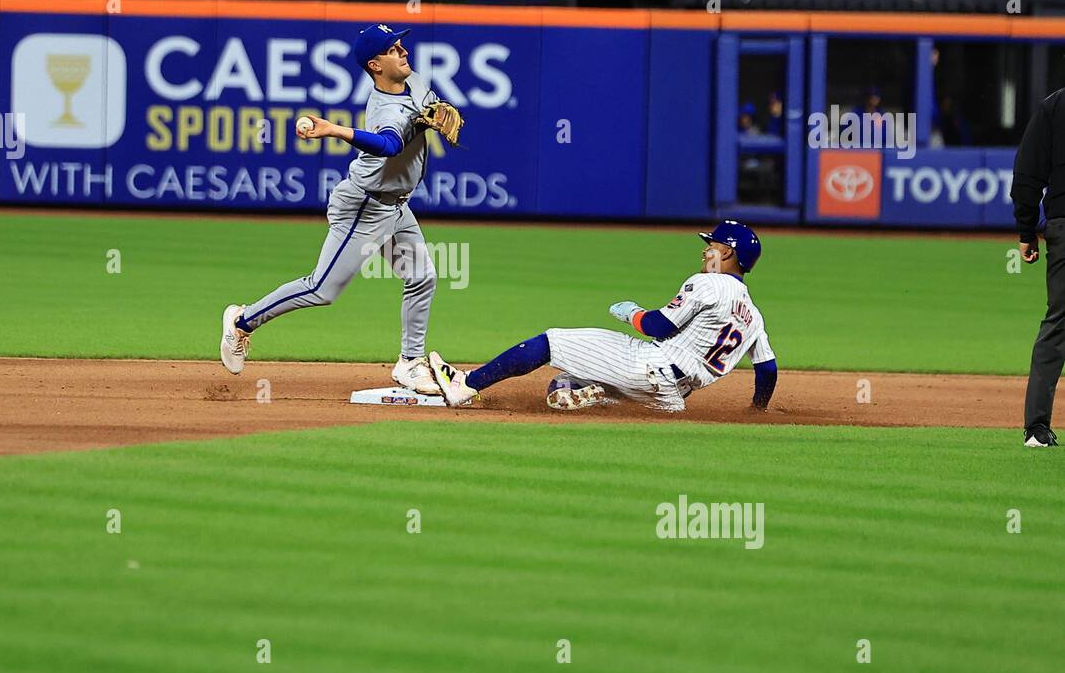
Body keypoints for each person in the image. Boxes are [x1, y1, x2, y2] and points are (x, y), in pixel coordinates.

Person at [219, 23, 450, 394]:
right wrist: (333, 129)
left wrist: (439, 114)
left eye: (402, 45)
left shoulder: (417, 83)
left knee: (422, 277)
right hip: (364, 206)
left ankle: (410, 363)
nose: (404, 52)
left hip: (396, 206)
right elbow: (389, 145)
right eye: (394, 49)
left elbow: (433, 108)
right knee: (322, 289)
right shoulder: (385, 109)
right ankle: (243, 321)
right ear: (376, 65)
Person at [427, 221, 778, 413]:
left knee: (549, 342)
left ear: (728, 252)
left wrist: (632, 313)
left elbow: (658, 326)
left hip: (648, 366)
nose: (706, 250)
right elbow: (767, 369)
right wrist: (757, 409)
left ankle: (464, 386)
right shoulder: (754, 317)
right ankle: (599, 396)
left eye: (713, 245)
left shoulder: (707, 283)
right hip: (672, 399)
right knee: (565, 380)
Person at [1012, 86, 1065, 447]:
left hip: (1063, 223)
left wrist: (1026, 230)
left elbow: (1028, 174)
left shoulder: (1055, 105)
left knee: (1059, 322)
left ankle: (1036, 429)